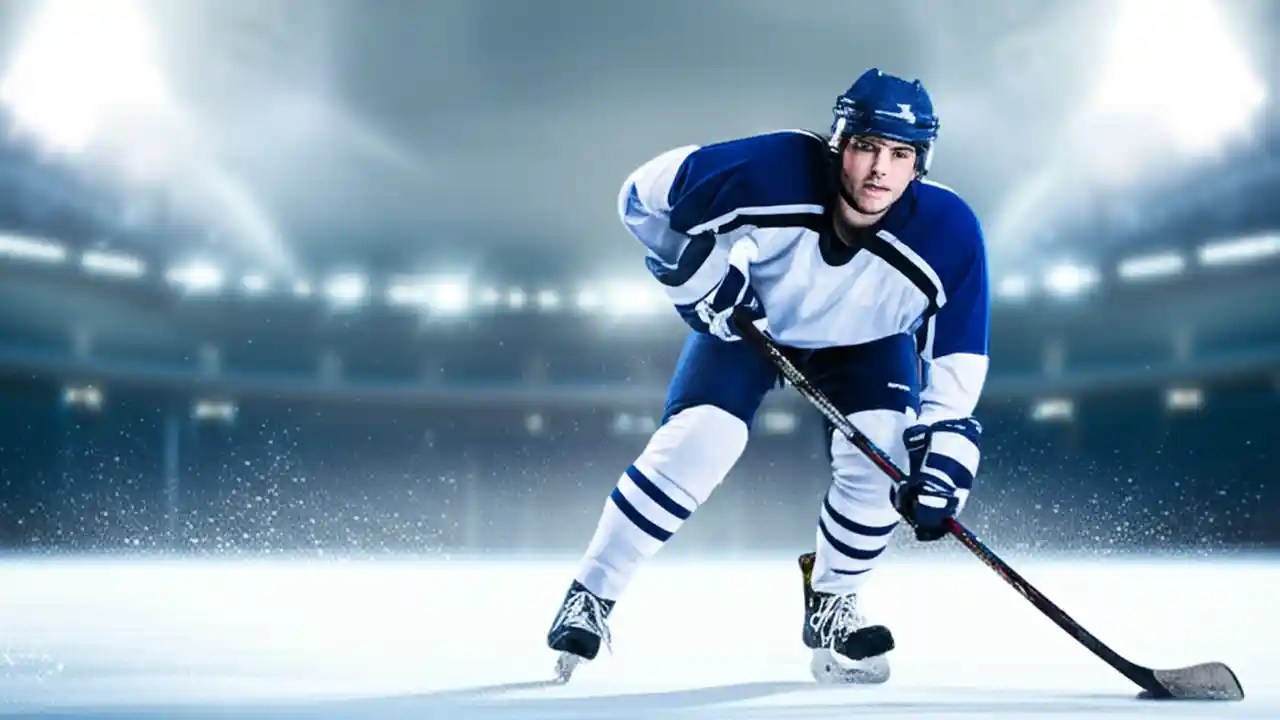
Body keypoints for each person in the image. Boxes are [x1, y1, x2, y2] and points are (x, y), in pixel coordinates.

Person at [547, 68, 990, 684]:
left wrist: (940, 466)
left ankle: (833, 598)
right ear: (839, 142)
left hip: (868, 346)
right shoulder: (769, 168)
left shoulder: (951, 233)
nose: (879, 170)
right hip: (750, 328)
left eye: (900, 154)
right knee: (701, 442)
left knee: (886, 452)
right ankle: (591, 594)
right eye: (866, 146)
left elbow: (958, 364)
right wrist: (700, 276)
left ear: (921, 163)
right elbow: (638, 198)